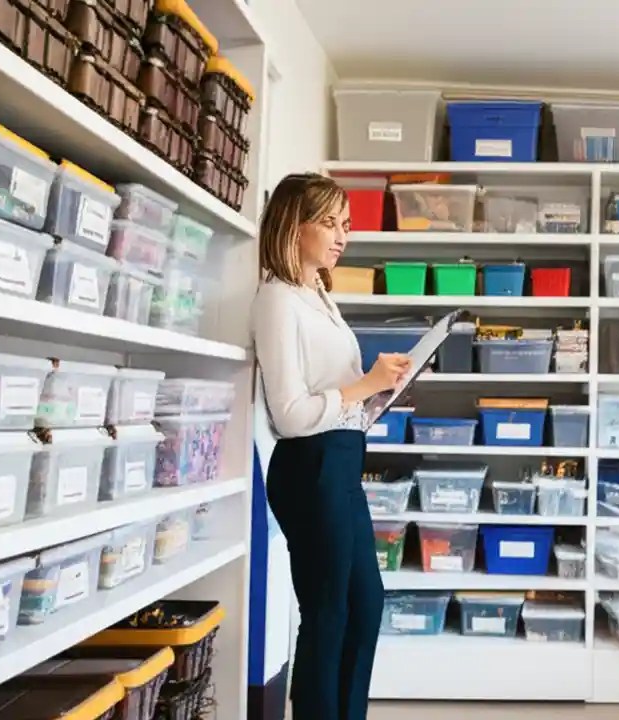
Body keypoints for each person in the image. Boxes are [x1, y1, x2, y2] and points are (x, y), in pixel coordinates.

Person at [251, 172, 411, 720]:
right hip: (309, 467)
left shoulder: (319, 297)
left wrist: (376, 395)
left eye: (347, 225)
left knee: (364, 606)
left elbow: (339, 399)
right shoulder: (276, 299)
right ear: (294, 226)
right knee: (328, 613)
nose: (343, 236)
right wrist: (364, 384)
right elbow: (290, 414)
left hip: (340, 460)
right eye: (330, 223)